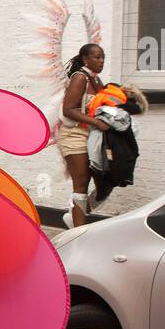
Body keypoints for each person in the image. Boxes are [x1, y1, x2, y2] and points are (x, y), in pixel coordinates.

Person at [56, 43, 110, 228]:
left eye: (103, 57)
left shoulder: (97, 81)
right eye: (97, 57)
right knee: (81, 183)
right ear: (86, 59)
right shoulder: (80, 78)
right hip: (74, 134)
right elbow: (68, 109)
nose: (101, 61)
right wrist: (96, 122)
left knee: (105, 182)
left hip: (91, 135)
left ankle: (74, 214)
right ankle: (78, 231)